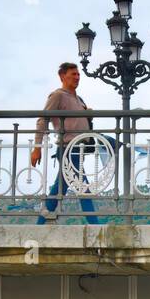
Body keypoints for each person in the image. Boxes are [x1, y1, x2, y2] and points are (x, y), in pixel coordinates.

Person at [32, 62, 103, 225]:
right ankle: (96, 226)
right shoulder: (57, 95)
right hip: (68, 148)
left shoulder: (79, 99)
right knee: (82, 188)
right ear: (62, 76)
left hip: (79, 148)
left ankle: (40, 224)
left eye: (78, 74)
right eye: (73, 74)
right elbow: (43, 120)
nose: (77, 77)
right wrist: (37, 148)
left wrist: (87, 115)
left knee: (59, 190)